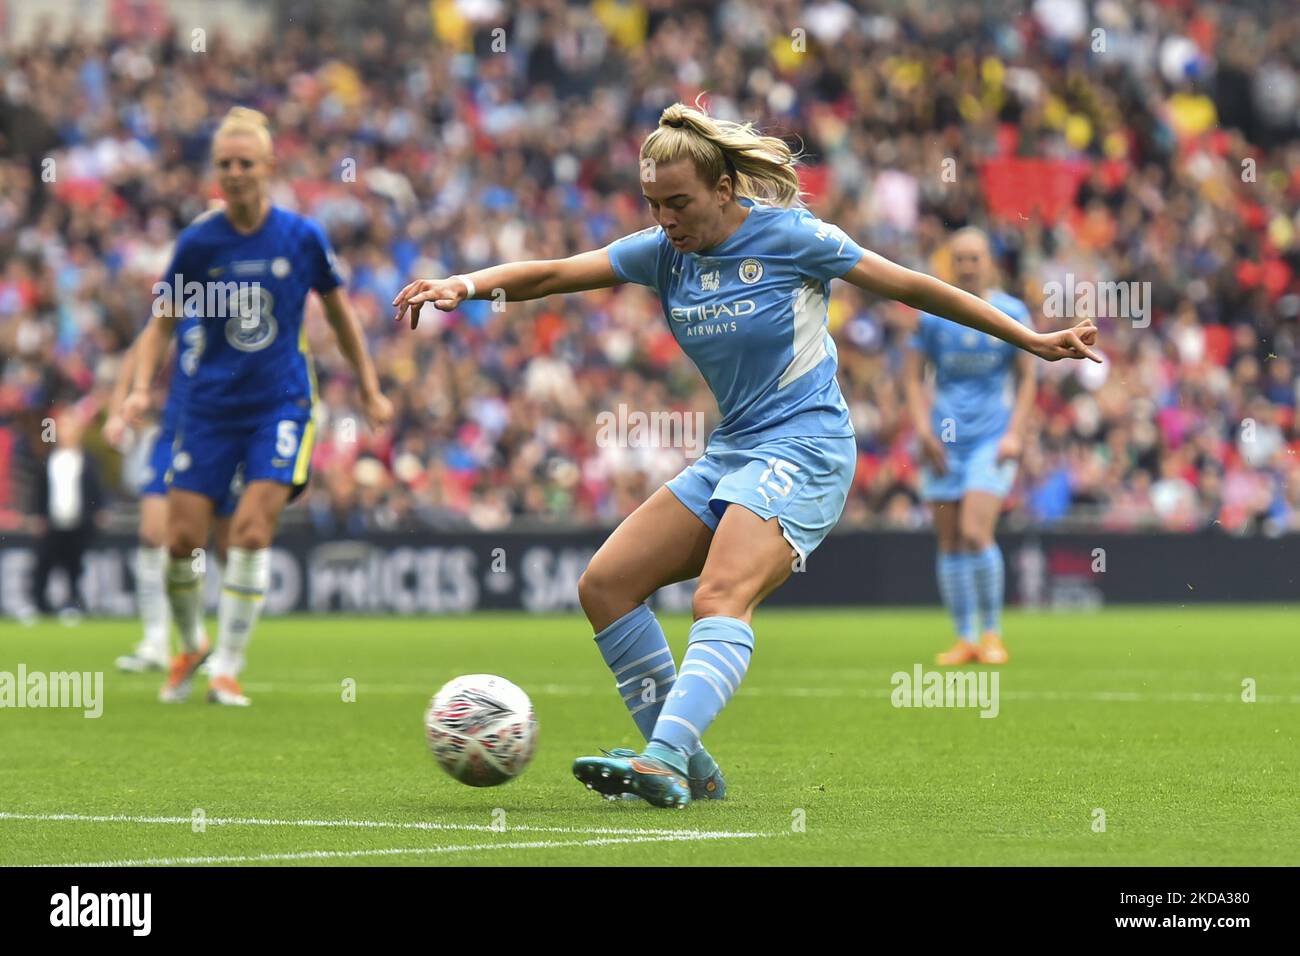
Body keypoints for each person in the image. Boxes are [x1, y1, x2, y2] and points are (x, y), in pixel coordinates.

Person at [394, 102, 1099, 808]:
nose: (665, 220)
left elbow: (915, 286)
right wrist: (467, 283)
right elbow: (549, 275)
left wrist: (1029, 339)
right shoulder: (663, 253)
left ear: (724, 191)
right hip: (733, 452)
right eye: (653, 205)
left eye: (679, 203)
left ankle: (663, 756)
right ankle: (689, 766)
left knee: (719, 596)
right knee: (604, 586)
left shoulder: (793, 238)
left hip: (808, 446)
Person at [123, 106, 393, 706]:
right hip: (209, 410)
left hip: (282, 405)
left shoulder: (301, 237)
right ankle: (191, 644)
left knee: (248, 533)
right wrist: (142, 386)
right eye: (225, 164)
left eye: (246, 162)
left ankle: (227, 666)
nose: (236, 172)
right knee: (180, 541)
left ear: (270, 166)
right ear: (214, 172)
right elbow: (161, 324)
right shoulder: (199, 244)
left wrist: (370, 387)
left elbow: (341, 315)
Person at [904, 228, 1036, 666]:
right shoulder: (932, 312)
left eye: (974, 258)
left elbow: (1027, 377)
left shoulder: (1011, 311)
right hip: (944, 442)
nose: (966, 266)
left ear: (989, 263)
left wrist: (1016, 433)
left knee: (976, 533)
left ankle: (993, 634)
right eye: (958, 258)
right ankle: (965, 638)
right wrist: (922, 429)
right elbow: (911, 375)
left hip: (991, 440)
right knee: (950, 542)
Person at [104, 330, 237, 672]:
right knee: (152, 533)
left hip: (228, 431)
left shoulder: (244, 296)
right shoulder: (186, 291)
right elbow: (141, 347)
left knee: (222, 545)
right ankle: (157, 642)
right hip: (176, 431)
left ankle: (222, 648)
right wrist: (126, 401)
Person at [30, 409, 107, 622]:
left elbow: (96, 489)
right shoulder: (48, 460)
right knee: (44, 566)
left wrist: (98, 510)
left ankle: (75, 604)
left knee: (76, 568)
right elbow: (40, 491)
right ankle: (41, 607)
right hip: (53, 523)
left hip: (79, 523)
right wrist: (38, 515)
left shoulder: (88, 460)